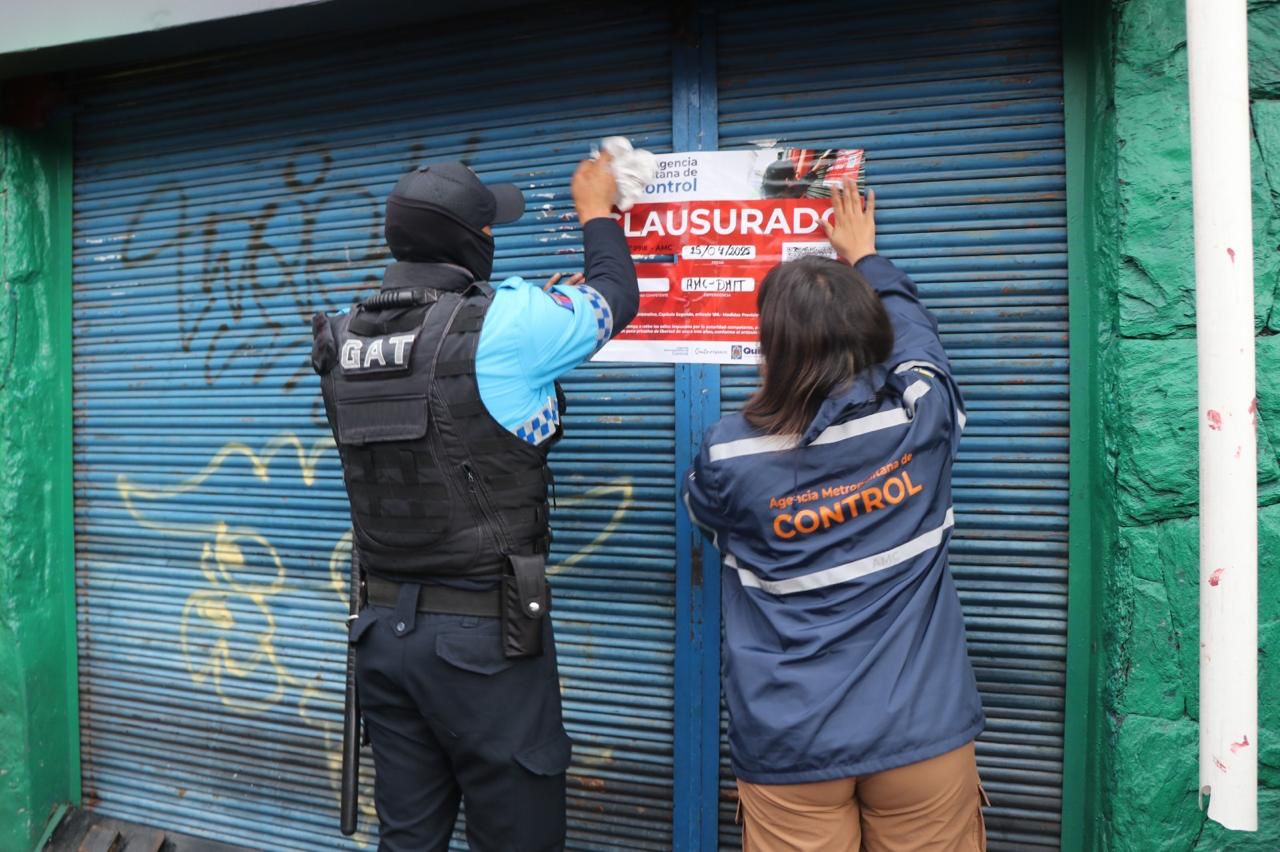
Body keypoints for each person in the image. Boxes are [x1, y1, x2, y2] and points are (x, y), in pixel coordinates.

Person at [311, 154, 637, 851]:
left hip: (381, 636)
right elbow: (617, 293)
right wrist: (596, 209)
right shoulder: (512, 323)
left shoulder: (340, 335)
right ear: (476, 241)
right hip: (484, 645)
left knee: (409, 838)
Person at [683, 183, 987, 852]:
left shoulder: (730, 454)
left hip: (794, 744)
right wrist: (867, 261)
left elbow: (703, 511)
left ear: (773, 347)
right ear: (872, 339)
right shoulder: (921, 418)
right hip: (920, 732)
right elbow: (921, 346)